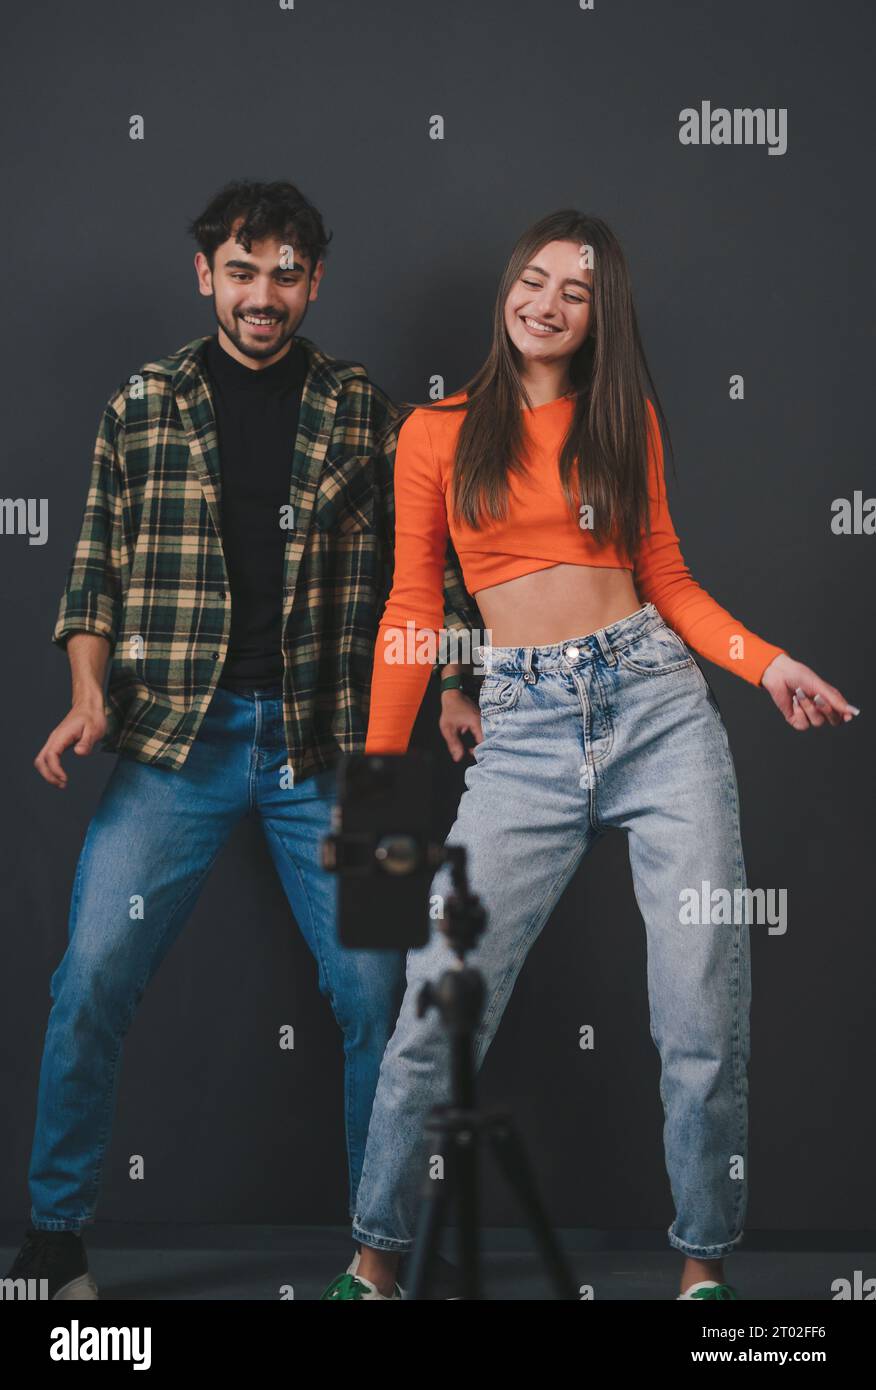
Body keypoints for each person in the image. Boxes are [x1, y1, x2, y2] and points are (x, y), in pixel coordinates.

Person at [320, 209, 858, 1301]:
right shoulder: (435, 434)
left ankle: (703, 1267)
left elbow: (669, 579)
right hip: (519, 734)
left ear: (599, 311)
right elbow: (412, 608)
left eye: (575, 286)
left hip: (658, 709)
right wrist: (377, 783)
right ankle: (373, 1260)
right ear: (507, 292)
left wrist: (768, 664)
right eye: (533, 278)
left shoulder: (627, 421)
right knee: (438, 1000)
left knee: (701, 1009)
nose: (548, 300)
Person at [7, 179, 478, 1300]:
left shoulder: (368, 409)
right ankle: (58, 1231)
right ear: (204, 272)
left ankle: (377, 1254)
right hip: (181, 740)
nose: (261, 294)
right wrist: (86, 692)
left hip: (349, 745)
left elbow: (437, 568)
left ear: (313, 283)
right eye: (240, 268)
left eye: (285, 274)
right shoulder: (143, 404)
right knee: (91, 976)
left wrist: (459, 680)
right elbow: (92, 577)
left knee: (384, 998)